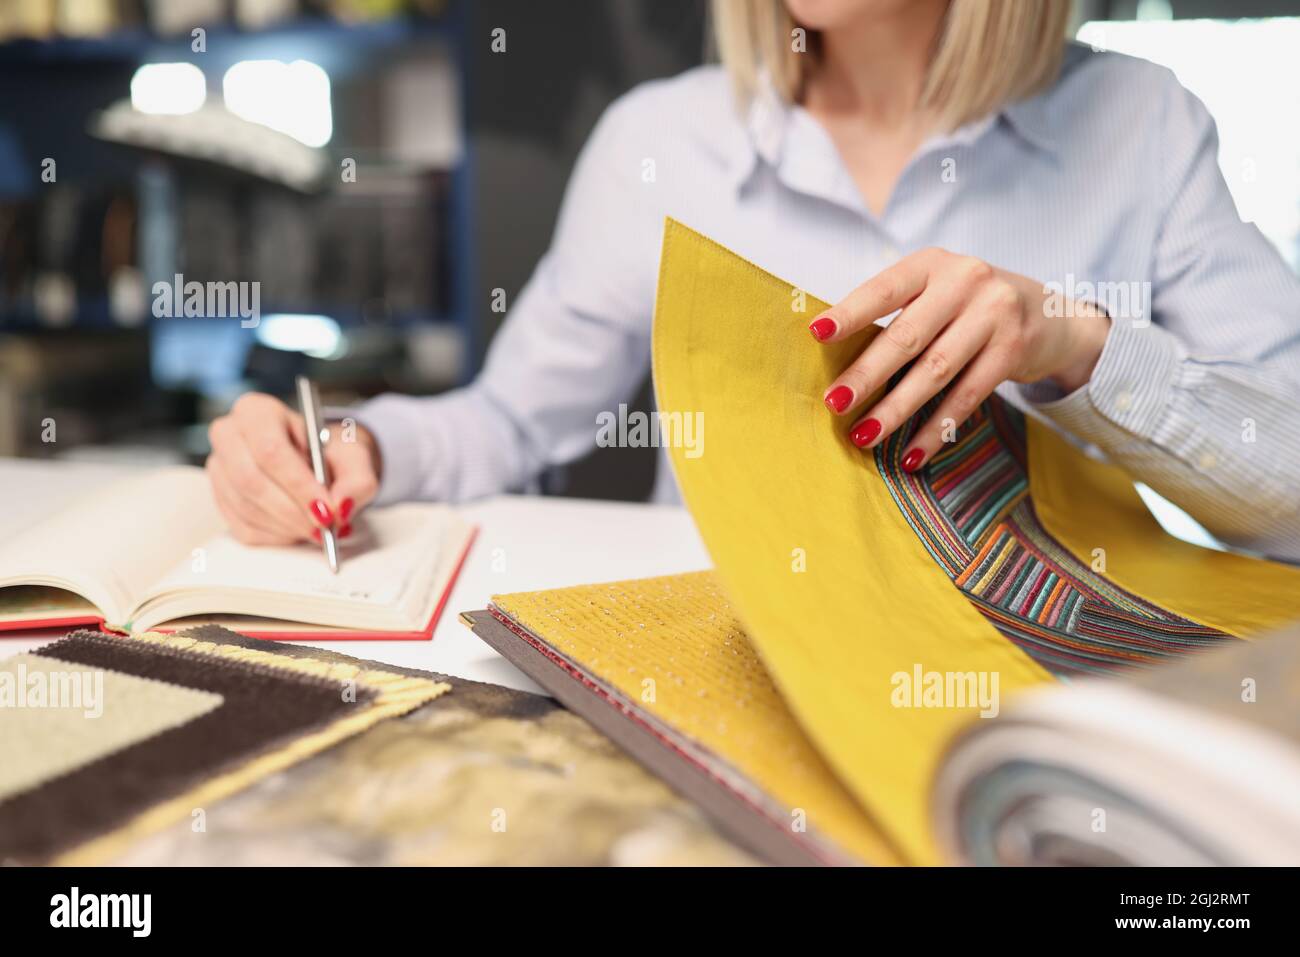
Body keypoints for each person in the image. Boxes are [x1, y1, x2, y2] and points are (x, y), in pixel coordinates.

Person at [205, 0, 1300, 560]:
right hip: (728, 680)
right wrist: (355, 449)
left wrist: (1074, 346)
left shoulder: (1144, 126)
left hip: (1046, 711)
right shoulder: (657, 141)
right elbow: (507, 420)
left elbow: (1287, 477)